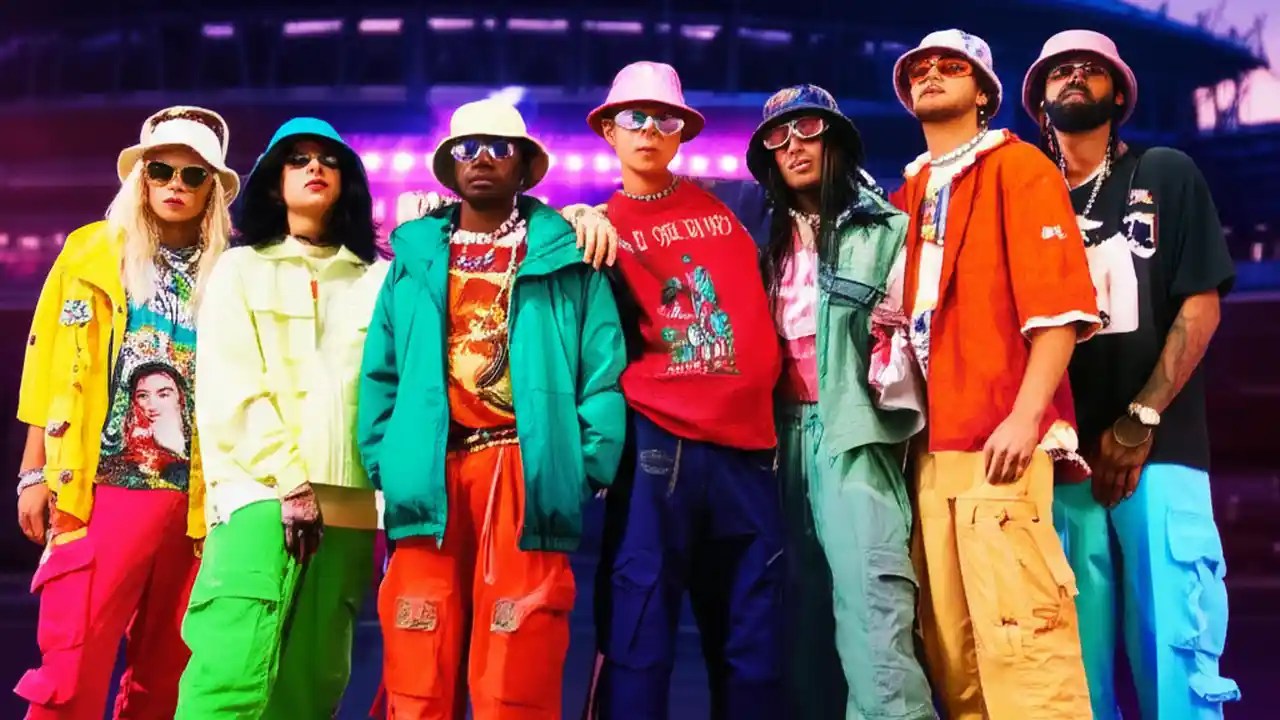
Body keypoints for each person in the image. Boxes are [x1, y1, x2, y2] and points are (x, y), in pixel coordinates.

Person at [358, 99, 627, 720]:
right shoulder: (414, 258)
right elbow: (381, 372)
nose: (481, 158)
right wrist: (389, 462)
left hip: (522, 468)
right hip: (430, 474)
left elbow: (603, 369)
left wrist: (580, 467)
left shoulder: (565, 255)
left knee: (518, 657)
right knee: (420, 655)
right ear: (449, 166)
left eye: (499, 148)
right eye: (467, 148)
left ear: (525, 166)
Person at [1024, 29, 1240, 720]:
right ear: (1039, 101)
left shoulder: (1164, 172)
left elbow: (1200, 303)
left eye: (1091, 69)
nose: (1074, 77)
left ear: (1118, 94)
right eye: (1059, 70)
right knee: (1072, 674)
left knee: (1177, 655)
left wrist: (1141, 417)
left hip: (1161, 448)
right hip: (1061, 460)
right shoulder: (1025, 196)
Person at [889, 29, 1100, 719]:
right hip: (929, 450)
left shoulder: (1020, 167)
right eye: (920, 68)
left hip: (999, 441)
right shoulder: (907, 192)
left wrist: (1026, 416)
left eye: (951, 67)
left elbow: (1059, 311)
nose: (931, 74)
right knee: (955, 659)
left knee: (1026, 654)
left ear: (984, 92)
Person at [14, 106, 236, 719]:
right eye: (161, 170)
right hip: (105, 487)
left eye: (193, 175)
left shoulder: (231, 272)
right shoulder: (91, 251)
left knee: (167, 677)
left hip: (198, 501)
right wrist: (33, 472)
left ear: (212, 189)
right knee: (70, 669)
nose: (175, 184)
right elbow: (47, 363)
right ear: (141, 177)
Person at [579, 61, 785, 720]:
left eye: (664, 118)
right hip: (658, 446)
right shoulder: (595, 225)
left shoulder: (737, 202)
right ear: (609, 130)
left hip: (750, 448)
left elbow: (823, 194)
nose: (649, 129)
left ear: (682, 131)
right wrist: (573, 214)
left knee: (754, 644)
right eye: (634, 117)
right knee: (638, 637)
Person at [733, 83, 936, 720]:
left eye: (809, 130)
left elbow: (925, 339)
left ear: (837, 142)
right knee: (796, 620)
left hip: (853, 434)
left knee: (873, 610)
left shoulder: (889, 230)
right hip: (774, 442)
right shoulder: (755, 236)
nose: (793, 146)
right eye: (778, 137)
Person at [176, 117, 386, 718]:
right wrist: (290, 482)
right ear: (274, 183)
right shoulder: (240, 270)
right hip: (261, 496)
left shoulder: (379, 278)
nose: (315, 167)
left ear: (347, 182)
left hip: (351, 507)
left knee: (314, 684)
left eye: (329, 159)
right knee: (229, 677)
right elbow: (231, 386)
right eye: (298, 159)